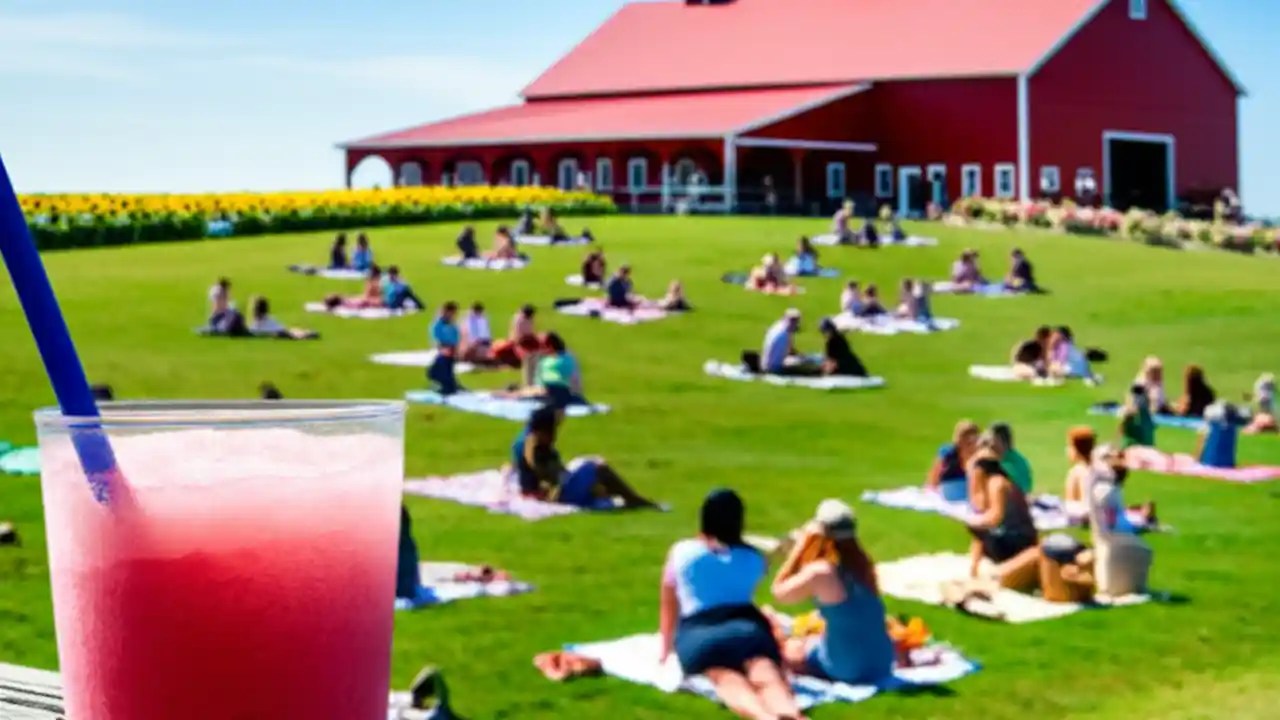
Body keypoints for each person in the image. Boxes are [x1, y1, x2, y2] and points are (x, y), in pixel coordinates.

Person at [659, 489, 802, 720]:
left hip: (701, 633)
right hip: (748, 628)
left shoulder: (681, 551)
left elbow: (669, 604)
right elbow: (751, 562)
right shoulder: (753, 558)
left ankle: (764, 717)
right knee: (764, 669)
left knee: (724, 676)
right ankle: (791, 713)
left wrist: (665, 648)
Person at [770, 500, 894, 686]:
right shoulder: (862, 567)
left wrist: (802, 545)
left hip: (847, 668)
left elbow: (779, 592)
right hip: (882, 663)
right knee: (814, 639)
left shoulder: (822, 572)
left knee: (789, 649)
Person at [513, 405, 657, 509]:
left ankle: (625, 496)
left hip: (547, 491)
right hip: (556, 495)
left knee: (588, 465)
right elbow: (552, 480)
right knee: (598, 468)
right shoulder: (534, 449)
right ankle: (632, 499)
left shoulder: (524, 439)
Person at [963, 457, 1039, 583]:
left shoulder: (996, 483)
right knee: (981, 530)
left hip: (1016, 542)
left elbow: (995, 516)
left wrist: (974, 522)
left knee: (978, 531)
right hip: (1026, 539)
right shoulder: (1006, 482)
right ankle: (974, 566)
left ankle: (974, 569)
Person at [926, 420, 981, 502]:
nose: (971, 443)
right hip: (950, 492)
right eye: (967, 439)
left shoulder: (981, 455)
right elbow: (933, 478)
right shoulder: (948, 452)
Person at [534, 332, 586, 407]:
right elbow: (539, 379)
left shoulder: (565, 358)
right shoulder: (544, 360)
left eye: (542, 346)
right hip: (544, 391)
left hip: (557, 391)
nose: (540, 349)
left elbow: (564, 378)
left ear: (551, 346)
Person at [756, 309, 813, 376]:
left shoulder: (777, 325)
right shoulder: (785, 333)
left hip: (764, 364)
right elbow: (790, 352)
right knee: (808, 363)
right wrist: (802, 357)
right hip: (775, 368)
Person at [428, 302, 462, 395]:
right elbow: (436, 340)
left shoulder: (453, 325)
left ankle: (450, 383)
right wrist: (443, 348)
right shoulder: (438, 325)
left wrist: (455, 350)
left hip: (450, 352)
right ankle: (440, 380)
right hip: (442, 352)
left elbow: (456, 340)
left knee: (450, 384)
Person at [989, 422, 1033, 493]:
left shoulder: (1009, 463)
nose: (990, 444)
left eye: (991, 439)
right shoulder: (1016, 458)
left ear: (1000, 440)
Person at [249, 297, 318, 339]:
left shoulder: (261, 319)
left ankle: (308, 333)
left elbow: (255, 330)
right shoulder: (265, 318)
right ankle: (308, 333)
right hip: (279, 331)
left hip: (279, 332)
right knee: (293, 331)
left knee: (293, 332)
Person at [1197, 401, 1240, 469]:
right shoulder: (1231, 428)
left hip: (1211, 461)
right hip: (1226, 463)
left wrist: (1198, 458)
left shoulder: (1211, 423)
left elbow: (1203, 440)